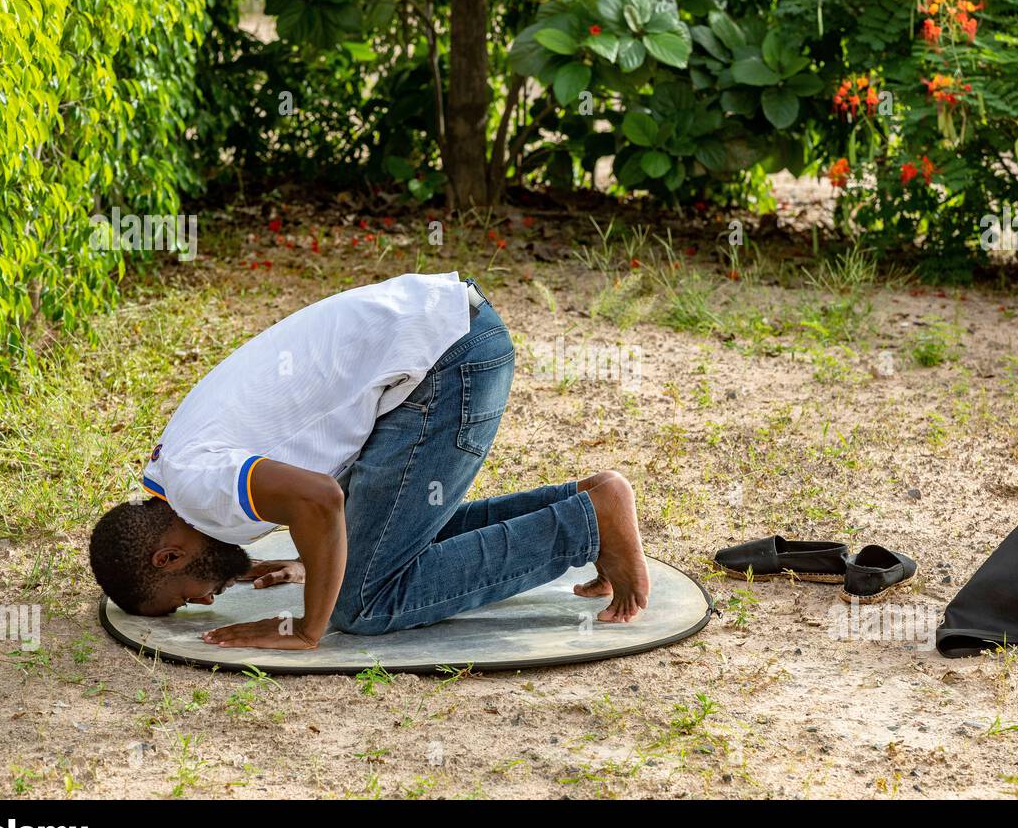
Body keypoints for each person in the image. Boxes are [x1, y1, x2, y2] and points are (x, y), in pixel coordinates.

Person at [88, 272, 649, 651]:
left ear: (167, 556)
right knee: (368, 562)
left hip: (445, 362)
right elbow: (322, 478)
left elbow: (322, 498)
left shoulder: (197, 487)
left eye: (187, 598)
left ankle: (584, 525)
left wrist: (308, 627)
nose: (208, 600)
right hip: (441, 340)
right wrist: (321, 559)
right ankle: (586, 505)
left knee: (360, 604)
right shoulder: (176, 472)